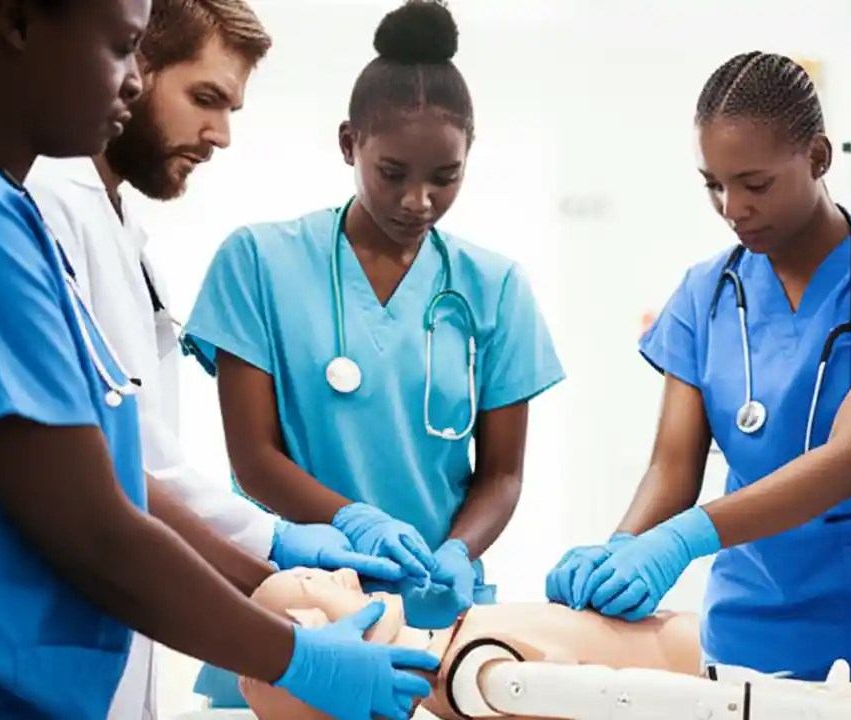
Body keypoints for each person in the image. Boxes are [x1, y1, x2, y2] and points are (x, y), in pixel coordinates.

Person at [0, 0, 437, 717]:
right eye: (121, 48)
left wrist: (269, 567)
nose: (131, 81)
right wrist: (290, 648)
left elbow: (110, 475)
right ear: (17, 22)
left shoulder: (5, 210)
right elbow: (95, 523)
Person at [545, 51, 851, 707]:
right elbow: (672, 467)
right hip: (751, 643)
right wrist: (623, 549)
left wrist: (685, 537)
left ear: (816, 157)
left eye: (755, 184)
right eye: (714, 186)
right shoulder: (705, 293)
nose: (733, 208)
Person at [181, 0, 564, 624]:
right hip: (294, 601)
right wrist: (349, 519)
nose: (419, 201)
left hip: (433, 606)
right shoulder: (258, 261)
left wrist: (460, 553)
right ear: (347, 144)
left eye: (446, 176)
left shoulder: (495, 287)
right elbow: (252, 458)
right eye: (392, 173)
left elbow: (500, 475)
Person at [235, 567, 851, 720]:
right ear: (322, 639)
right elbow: (633, 699)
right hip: (702, 682)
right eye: (317, 579)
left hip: (708, 662)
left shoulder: (461, 639)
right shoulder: (470, 677)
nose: (344, 569)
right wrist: (806, 714)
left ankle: (828, 694)